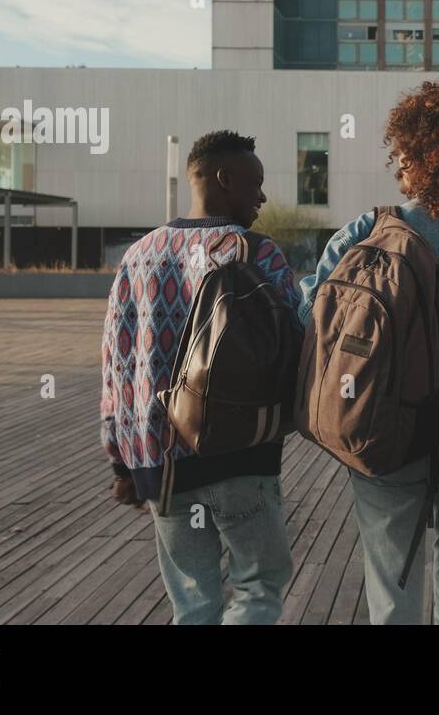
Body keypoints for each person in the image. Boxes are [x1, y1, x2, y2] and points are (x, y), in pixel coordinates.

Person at [298, 80, 439, 624]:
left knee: (391, 592)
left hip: (383, 432)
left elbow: (309, 321)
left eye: (404, 150)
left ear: (429, 154)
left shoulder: (368, 231)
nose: (397, 161)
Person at [100, 130, 301, 625]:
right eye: (255, 183)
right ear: (223, 178)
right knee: (259, 586)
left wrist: (122, 464)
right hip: (242, 451)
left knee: (192, 602)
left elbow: (116, 367)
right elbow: (299, 339)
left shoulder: (138, 256)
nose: (262, 196)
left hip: (162, 462)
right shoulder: (256, 252)